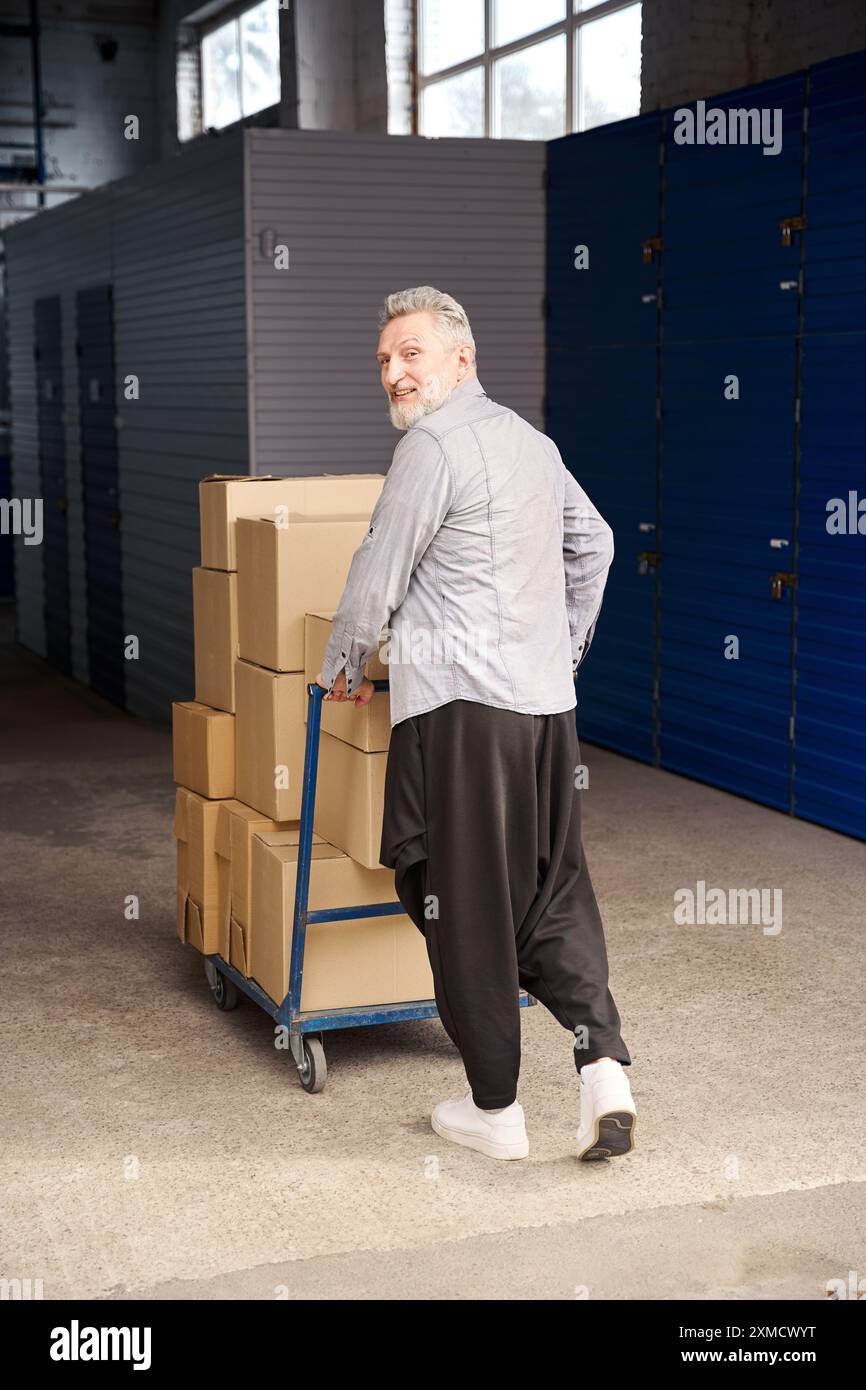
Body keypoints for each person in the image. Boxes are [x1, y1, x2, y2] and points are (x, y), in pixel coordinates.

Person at [316, 286, 635, 1163]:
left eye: (410, 353)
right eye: (384, 359)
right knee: (551, 888)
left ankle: (496, 1109)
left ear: (463, 358)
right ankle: (602, 1062)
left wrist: (342, 666)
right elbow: (596, 543)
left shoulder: (432, 445)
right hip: (545, 718)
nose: (394, 372)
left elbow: (381, 564)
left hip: (460, 714)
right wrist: (558, 651)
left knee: (457, 900)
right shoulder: (534, 444)